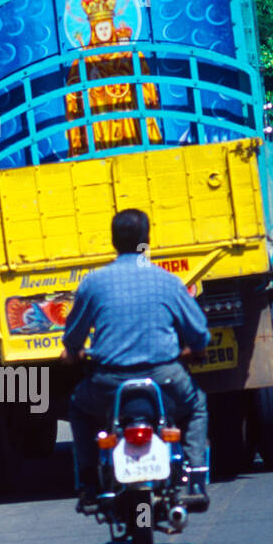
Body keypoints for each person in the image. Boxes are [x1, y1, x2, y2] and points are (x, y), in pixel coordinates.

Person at [61, 208, 211, 506]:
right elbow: (198, 334)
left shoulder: (93, 283)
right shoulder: (167, 281)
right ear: (147, 239)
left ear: (113, 241)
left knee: (78, 409)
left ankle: (89, 481)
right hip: (165, 378)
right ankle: (194, 479)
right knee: (197, 407)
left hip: (108, 382)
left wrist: (73, 352)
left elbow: (73, 337)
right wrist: (196, 350)